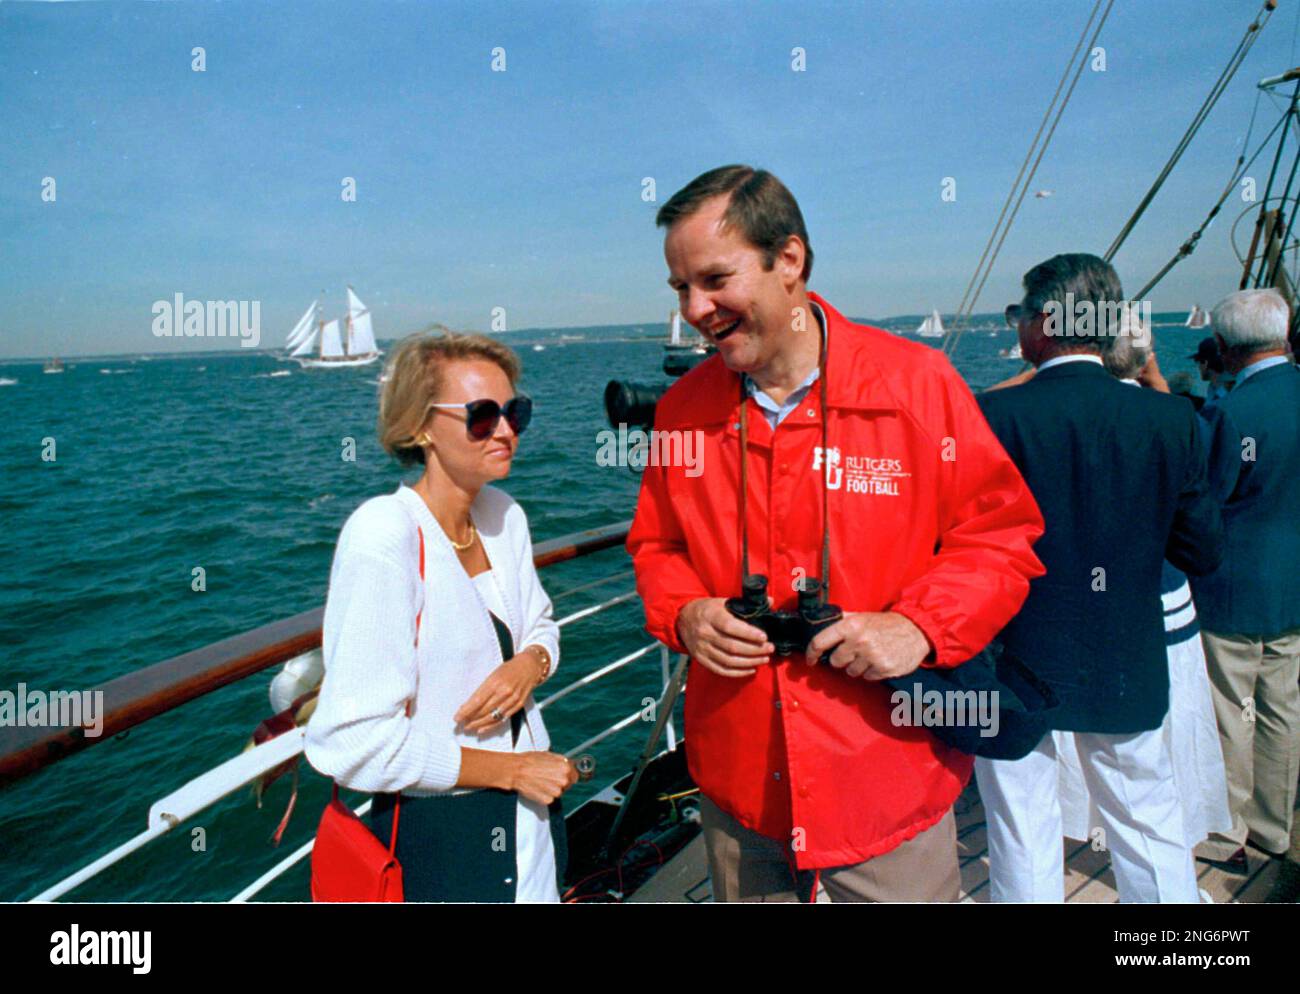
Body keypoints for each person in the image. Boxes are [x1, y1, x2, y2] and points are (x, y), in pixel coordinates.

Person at [627, 165, 1046, 902]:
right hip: (740, 785)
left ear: (788, 260)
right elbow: (657, 547)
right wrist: (685, 613)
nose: (695, 309)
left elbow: (1000, 537)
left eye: (715, 279)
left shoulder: (918, 385)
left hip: (886, 776)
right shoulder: (681, 412)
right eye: (679, 289)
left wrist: (918, 626)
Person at [975, 253, 1223, 903]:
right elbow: (1203, 552)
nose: (1016, 329)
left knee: (1023, 829)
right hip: (1126, 657)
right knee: (1147, 822)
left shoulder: (991, 419)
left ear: (1047, 321)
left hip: (1013, 662)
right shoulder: (1170, 421)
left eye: (1018, 314)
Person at [304, 331, 577, 902]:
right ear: (421, 427)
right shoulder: (385, 534)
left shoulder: (504, 516)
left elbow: (542, 623)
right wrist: (511, 770)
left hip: (532, 814)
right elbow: (352, 743)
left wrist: (531, 662)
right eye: (482, 416)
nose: (506, 430)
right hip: (446, 831)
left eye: (515, 412)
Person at [1055, 316, 1231, 859]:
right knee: (1171, 725)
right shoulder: (1179, 418)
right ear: (1144, 358)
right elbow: (1200, 535)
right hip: (1161, 593)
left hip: (1083, 597)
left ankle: (1085, 818)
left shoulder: (1061, 416)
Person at [1190, 288, 1300, 877]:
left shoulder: (1232, 414)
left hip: (1234, 587)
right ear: (1284, 337)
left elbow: (1209, 502)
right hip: (1293, 586)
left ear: (1228, 350)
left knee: (1233, 709)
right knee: (1283, 706)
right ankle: (1273, 826)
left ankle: (1226, 829)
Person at [1190, 336, 1234, 411]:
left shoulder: (1220, 395)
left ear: (1205, 363)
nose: (1198, 367)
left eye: (1198, 362)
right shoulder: (1234, 388)